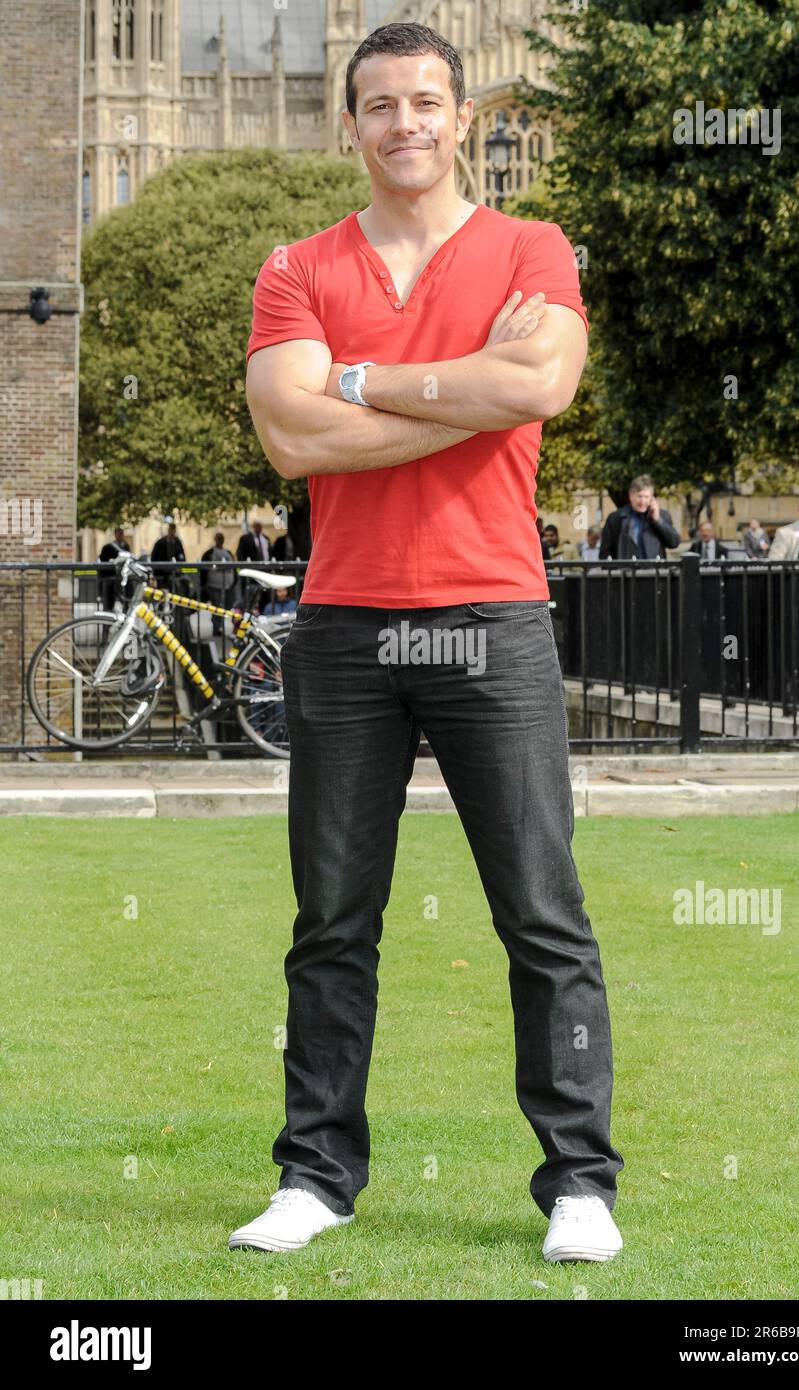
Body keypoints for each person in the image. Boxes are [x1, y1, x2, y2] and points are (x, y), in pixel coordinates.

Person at [230, 20, 624, 1265]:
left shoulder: (534, 246)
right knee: (332, 919)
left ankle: (577, 1183)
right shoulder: (294, 265)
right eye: (381, 106)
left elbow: (541, 388)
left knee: (542, 911)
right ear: (348, 126)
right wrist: (461, 389)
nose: (405, 123)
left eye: (426, 103)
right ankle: (315, 1175)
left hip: (492, 612)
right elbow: (290, 439)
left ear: (464, 119)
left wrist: (355, 380)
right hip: (345, 623)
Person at [599, 475, 680, 559]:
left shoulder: (662, 515)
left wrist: (657, 520)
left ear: (652, 498)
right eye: (639, 496)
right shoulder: (616, 518)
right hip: (625, 570)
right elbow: (605, 552)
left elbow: (674, 543)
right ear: (631, 495)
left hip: (653, 570)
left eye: (646, 497)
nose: (642, 501)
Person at [200, 532, 236, 611]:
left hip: (228, 586)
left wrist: (234, 582)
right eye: (219, 538)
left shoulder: (228, 553)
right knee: (217, 609)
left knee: (227, 608)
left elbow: (234, 568)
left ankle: (222, 623)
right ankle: (217, 623)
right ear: (215, 539)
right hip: (214, 586)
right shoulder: (209, 553)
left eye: (222, 539)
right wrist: (203, 584)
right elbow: (204, 569)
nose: (220, 540)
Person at [98, 525, 130, 610]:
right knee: (108, 603)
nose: (121, 536)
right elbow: (103, 562)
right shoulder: (107, 547)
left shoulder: (126, 546)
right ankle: (106, 621)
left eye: (122, 534)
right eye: (119, 534)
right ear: (115, 534)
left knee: (125, 602)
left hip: (122, 579)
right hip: (110, 580)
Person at [150, 521, 186, 590]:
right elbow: (155, 557)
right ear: (168, 530)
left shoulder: (177, 542)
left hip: (172, 572)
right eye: (171, 530)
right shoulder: (160, 543)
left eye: (174, 531)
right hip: (161, 572)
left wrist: (179, 568)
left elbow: (182, 557)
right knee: (162, 589)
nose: (172, 533)